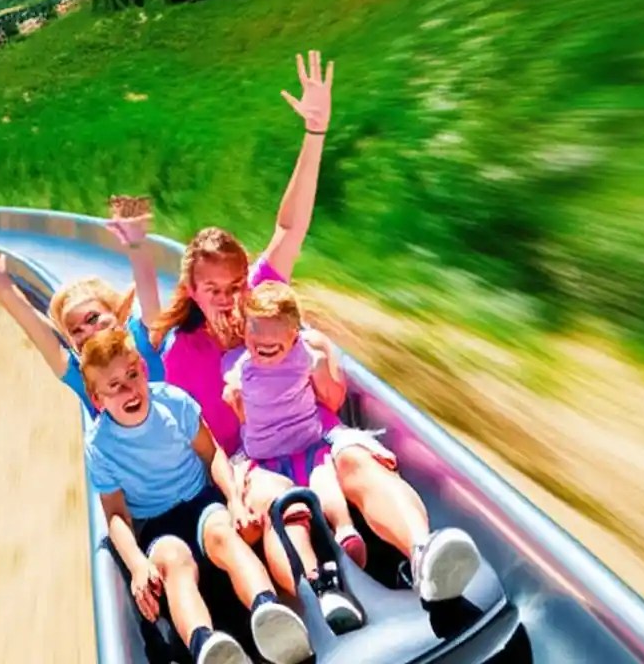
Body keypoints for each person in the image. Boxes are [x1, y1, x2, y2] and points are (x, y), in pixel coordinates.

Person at [152, 50, 482, 603]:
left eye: (236, 285)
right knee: (286, 508)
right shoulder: (181, 354)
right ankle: (316, 599)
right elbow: (207, 441)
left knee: (359, 464)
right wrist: (235, 491)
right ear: (191, 292)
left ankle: (425, 552)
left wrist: (315, 132)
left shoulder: (261, 297)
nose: (231, 300)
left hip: (317, 433)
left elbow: (290, 223)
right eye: (214, 291)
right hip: (254, 458)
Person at [80, 329, 314, 664]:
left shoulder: (172, 403)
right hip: (157, 522)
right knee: (174, 561)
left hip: (199, 501)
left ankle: (268, 611)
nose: (129, 390)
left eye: (132, 375)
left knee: (223, 534)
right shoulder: (101, 445)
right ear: (97, 399)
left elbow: (212, 454)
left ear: (143, 370)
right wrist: (136, 565)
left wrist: (233, 498)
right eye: (114, 386)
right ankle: (207, 645)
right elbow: (116, 513)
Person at [0, 197, 164, 418]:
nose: (87, 331)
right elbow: (42, 335)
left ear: (117, 315)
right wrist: (5, 293)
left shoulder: (141, 338)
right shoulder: (81, 374)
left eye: (93, 318)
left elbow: (149, 298)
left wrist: (137, 243)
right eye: (76, 331)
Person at [222, 281, 369, 572]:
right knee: (287, 507)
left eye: (273, 336)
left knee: (324, 482)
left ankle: (345, 532)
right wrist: (235, 397)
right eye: (255, 332)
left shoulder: (305, 356)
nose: (263, 343)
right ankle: (312, 577)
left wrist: (322, 369)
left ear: (293, 335)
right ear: (244, 331)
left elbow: (331, 395)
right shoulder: (243, 368)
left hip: (308, 445)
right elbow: (239, 407)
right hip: (264, 459)